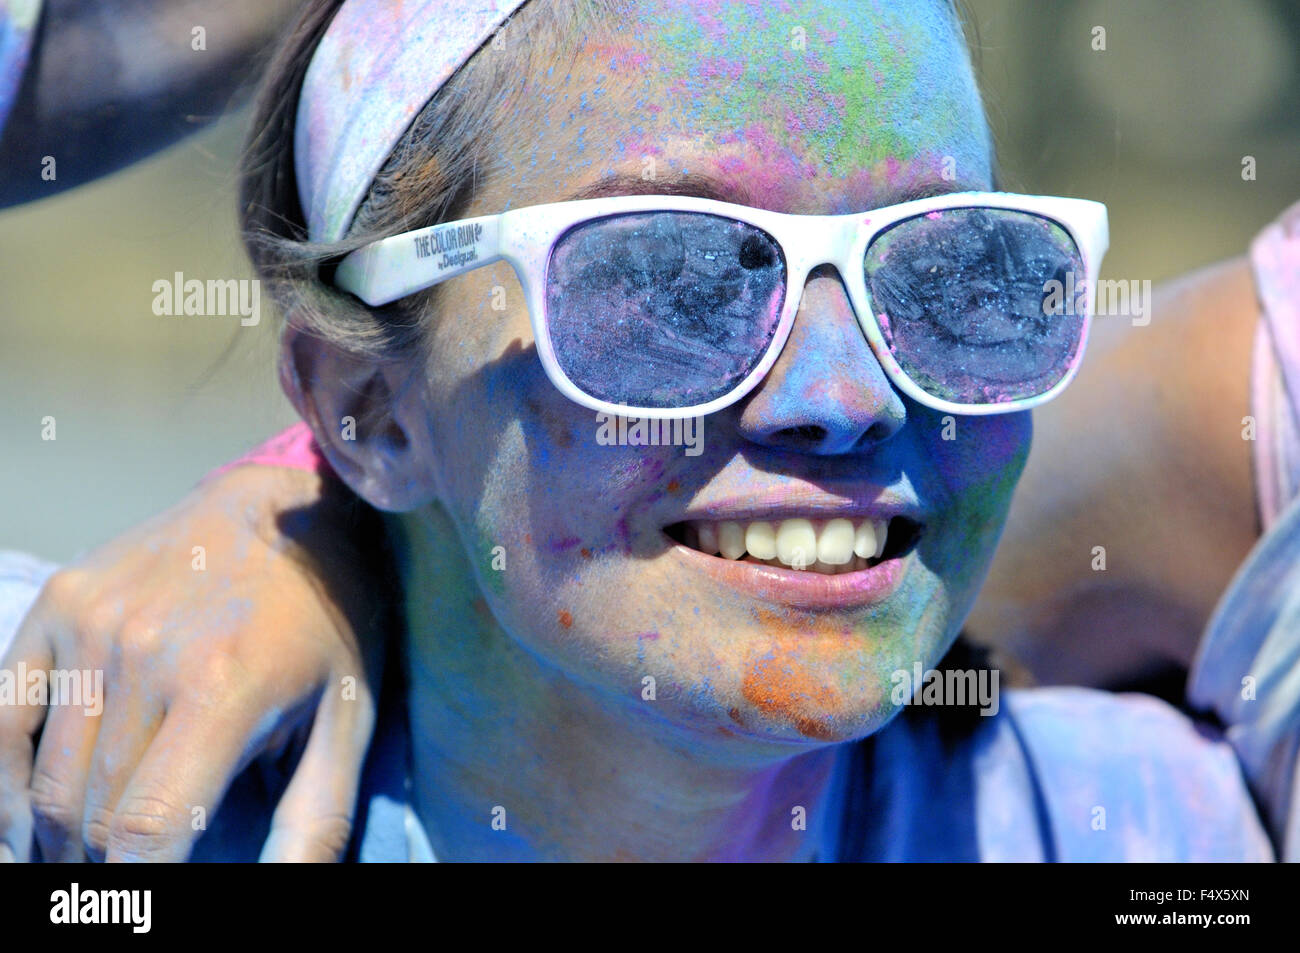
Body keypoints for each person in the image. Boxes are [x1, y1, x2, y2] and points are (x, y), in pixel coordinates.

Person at [2, 0, 1296, 861]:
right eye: (673, 276)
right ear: (364, 406)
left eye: (954, 270)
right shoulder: (64, 768)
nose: (845, 398)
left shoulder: (1159, 841)